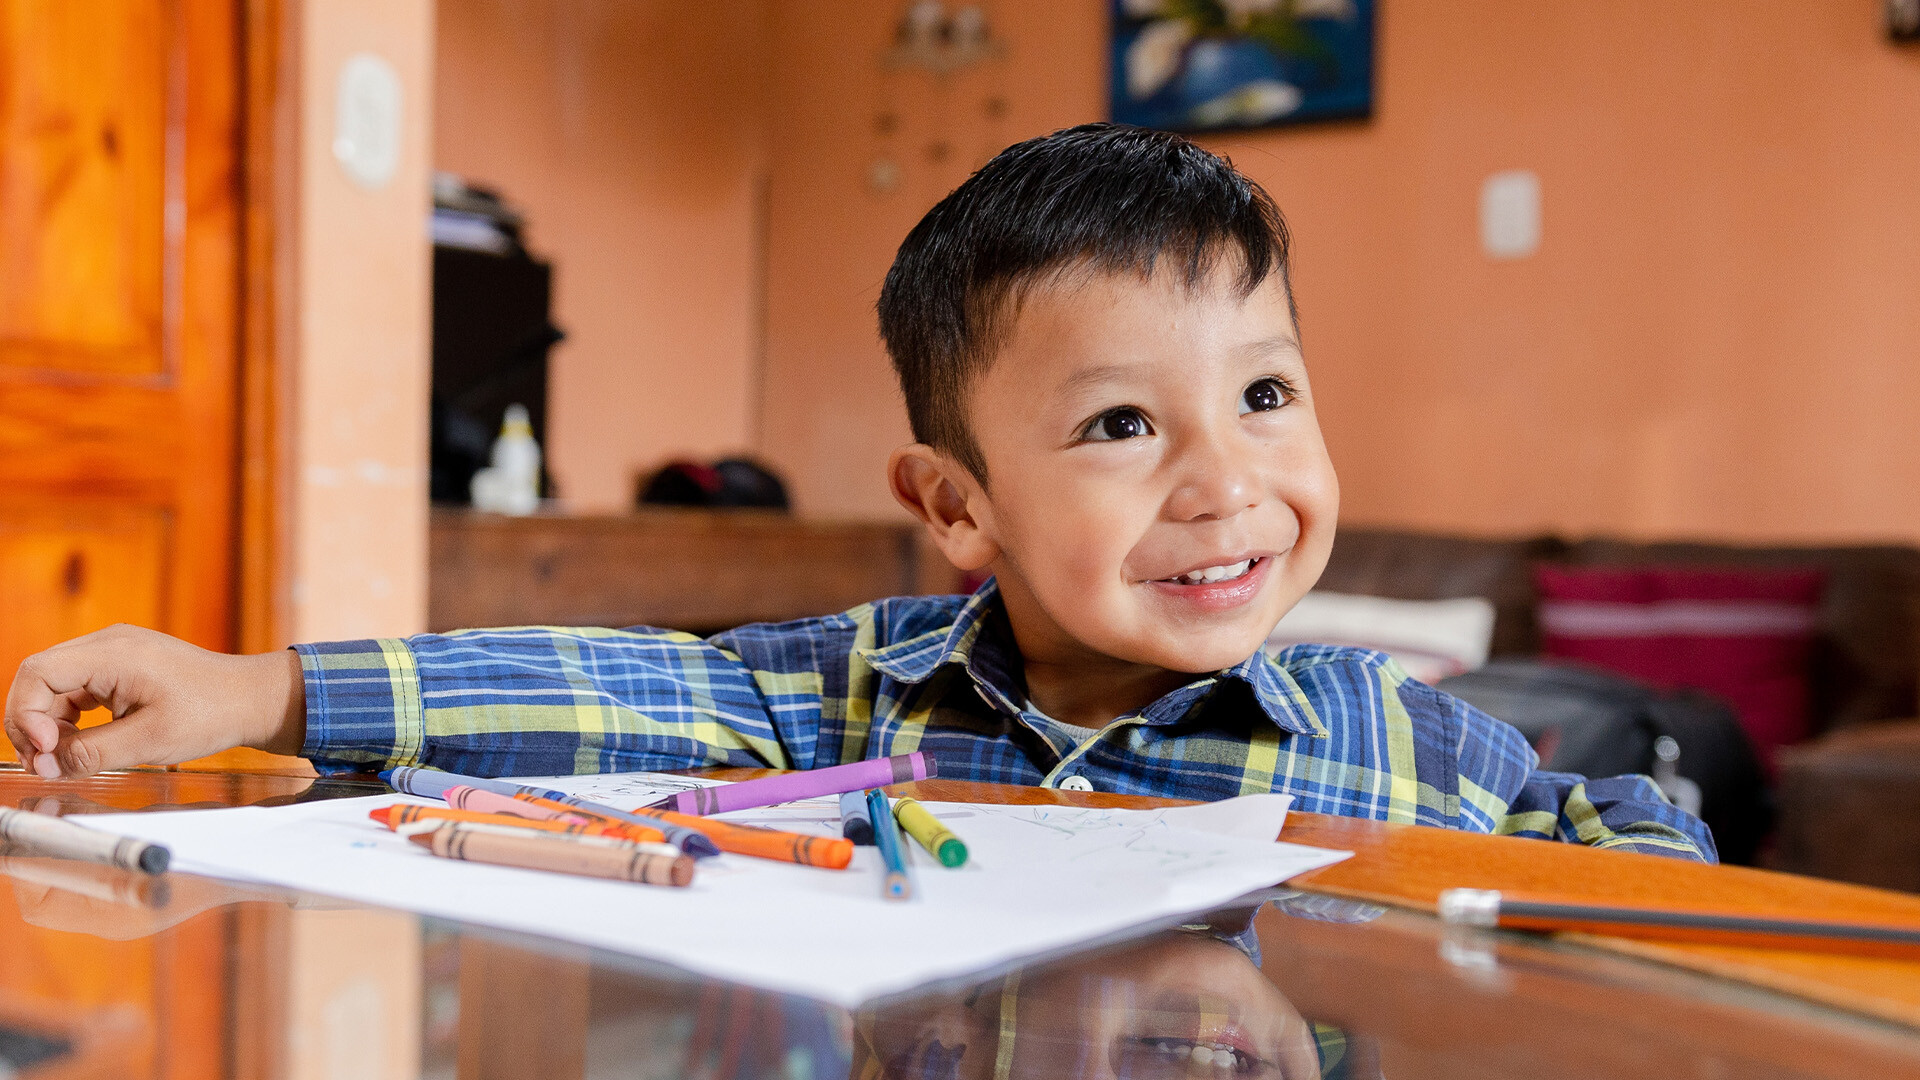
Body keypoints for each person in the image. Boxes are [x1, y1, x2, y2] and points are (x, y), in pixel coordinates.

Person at [2, 124, 1714, 862]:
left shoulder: (1397, 733)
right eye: (1125, 427)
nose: (1229, 483)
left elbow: (1618, 840)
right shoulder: (849, 691)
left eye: (1267, 396)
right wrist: (254, 692)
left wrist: (1659, 864)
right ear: (955, 505)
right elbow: (602, 685)